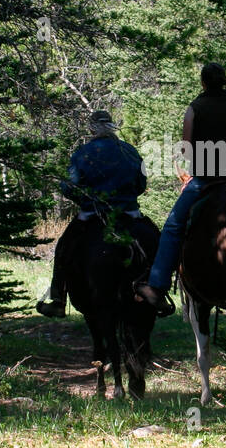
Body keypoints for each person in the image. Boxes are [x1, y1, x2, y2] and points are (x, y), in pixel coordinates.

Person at [135, 62, 226, 312]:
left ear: (203, 82)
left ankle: (157, 286)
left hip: (207, 181)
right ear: (225, 81)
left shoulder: (194, 109)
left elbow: (187, 149)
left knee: (173, 226)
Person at [37, 110, 147, 317]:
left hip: (92, 214)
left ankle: (58, 299)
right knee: (154, 240)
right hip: (129, 213)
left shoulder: (83, 153)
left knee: (64, 248)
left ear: (91, 128)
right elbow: (141, 184)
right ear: (112, 126)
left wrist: (84, 200)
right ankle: (158, 290)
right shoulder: (129, 151)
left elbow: (69, 187)